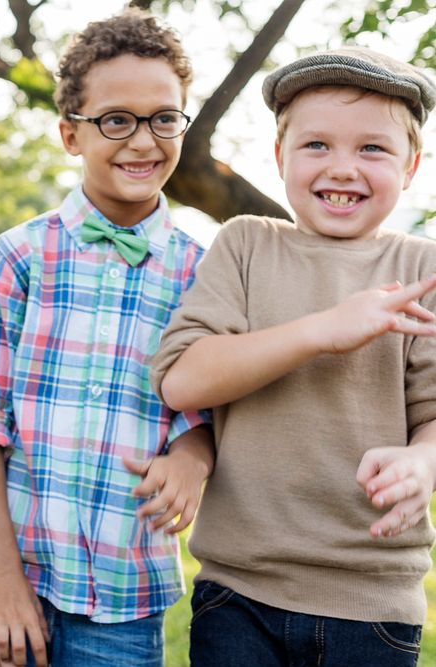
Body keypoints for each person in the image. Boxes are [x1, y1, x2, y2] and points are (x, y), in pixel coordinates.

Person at [0, 9, 215, 667]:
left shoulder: (202, 269)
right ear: (70, 133)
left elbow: (203, 409)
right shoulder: (21, 255)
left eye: (163, 118)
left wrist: (193, 458)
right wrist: (0, 576)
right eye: (116, 120)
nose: (143, 141)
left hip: (123, 590)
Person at [150, 47, 436, 666]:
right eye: (316, 146)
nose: (343, 168)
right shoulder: (246, 245)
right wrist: (324, 330)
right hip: (240, 593)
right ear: (279, 157)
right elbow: (183, 381)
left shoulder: (422, 267)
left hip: (374, 603)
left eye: (372, 149)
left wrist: (424, 462)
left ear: (411, 166)